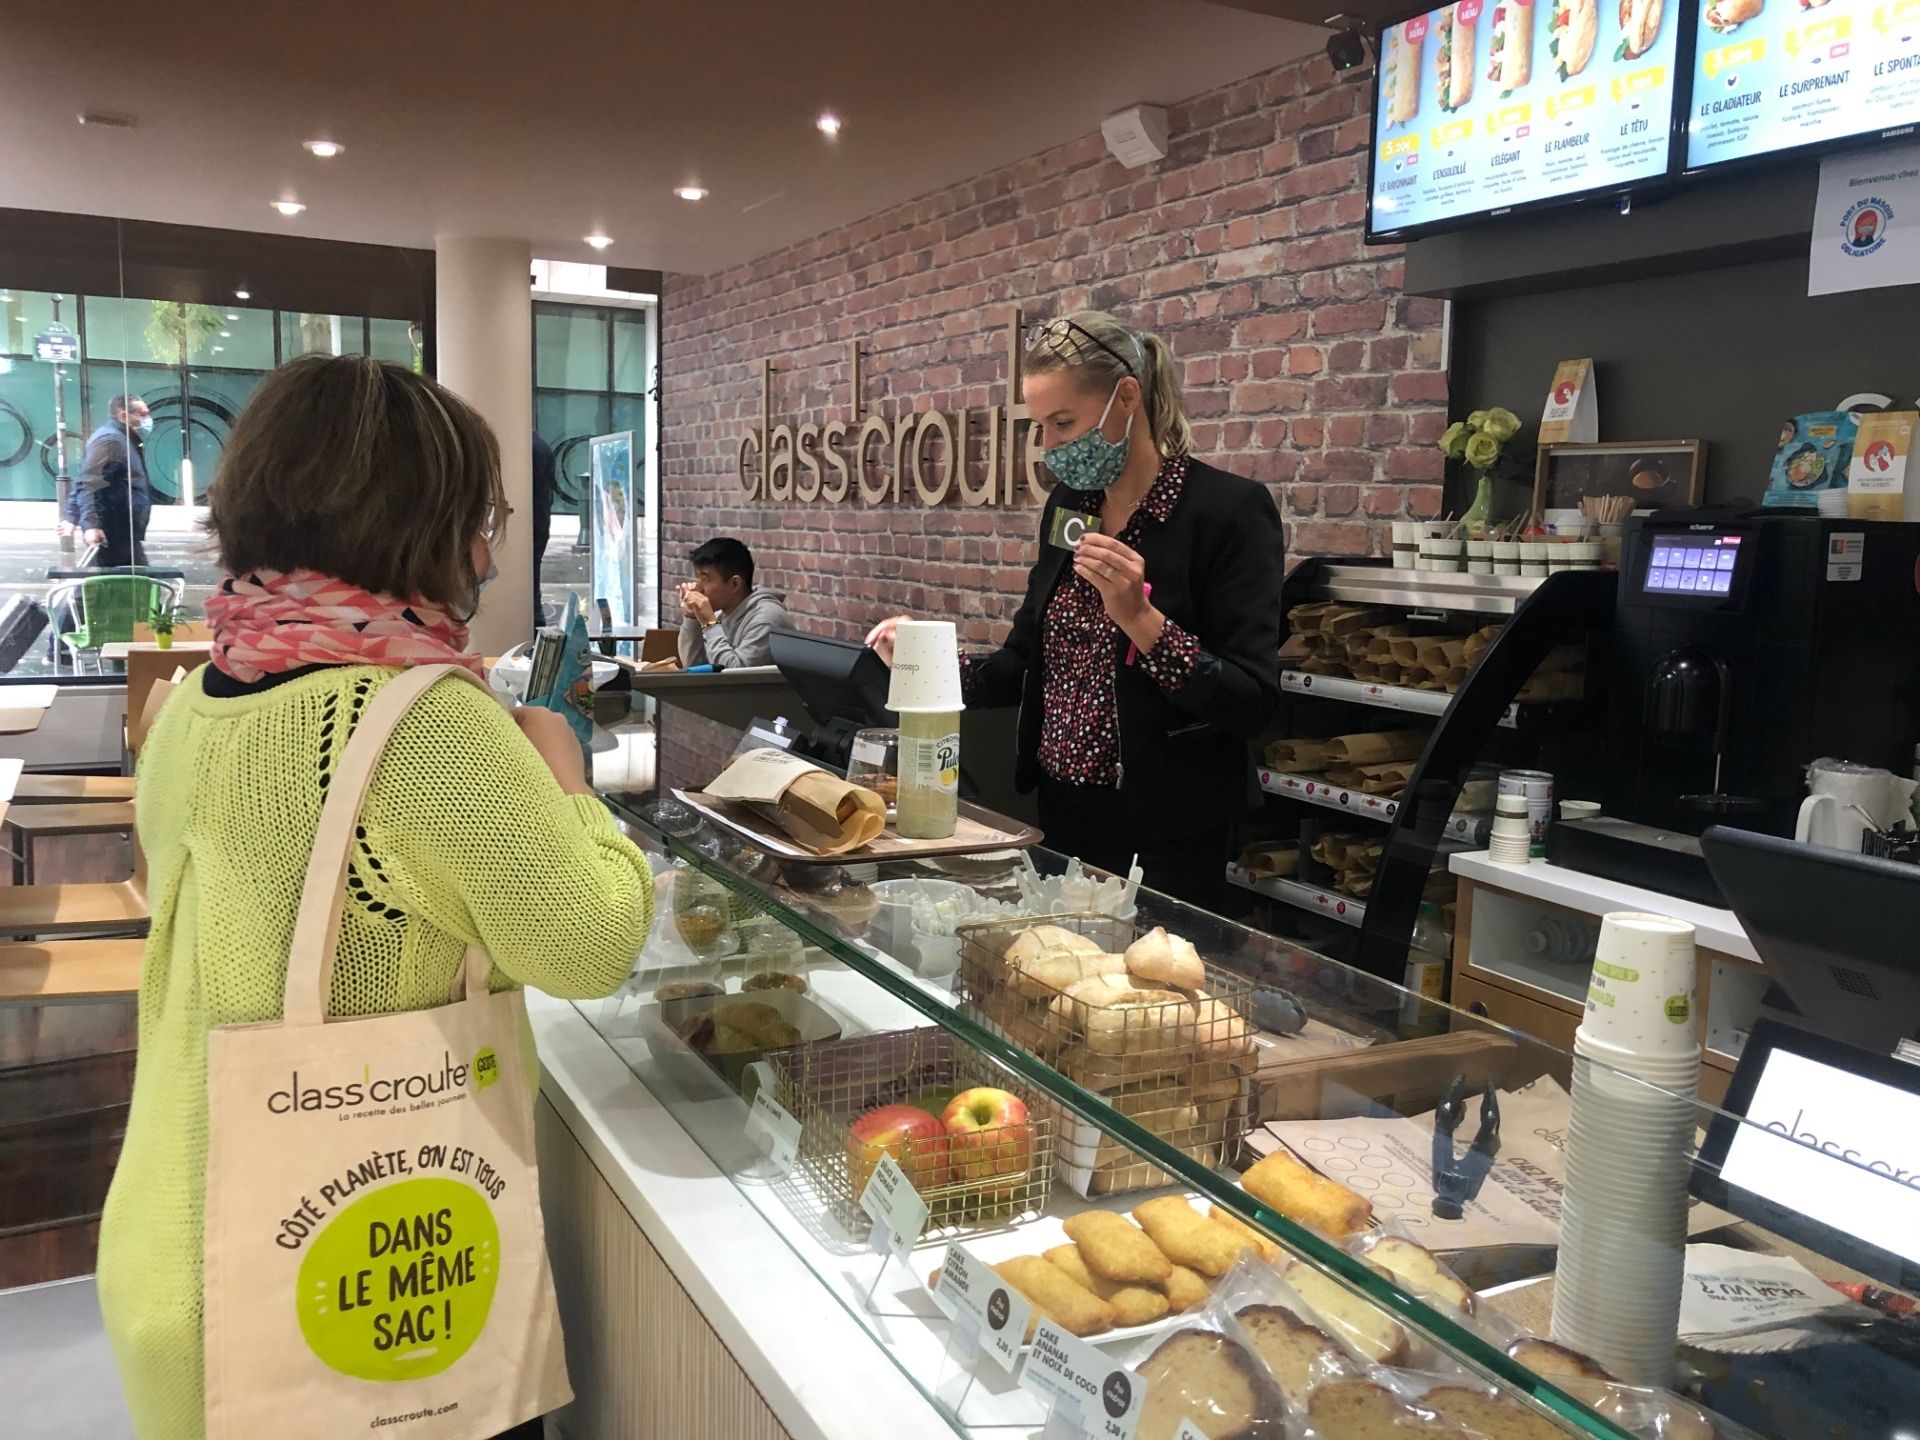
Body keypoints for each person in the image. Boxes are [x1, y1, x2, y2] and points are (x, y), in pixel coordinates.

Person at [95, 355, 656, 1440]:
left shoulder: (202, 694)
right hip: (351, 1286)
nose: (490, 549)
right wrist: (570, 783)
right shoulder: (426, 726)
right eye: (483, 515)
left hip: (176, 1240)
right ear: (425, 522)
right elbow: (591, 945)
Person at [867, 311, 1283, 911]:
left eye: (1063, 423)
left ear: (1127, 398)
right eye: (1041, 427)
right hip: (1062, 809)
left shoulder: (1226, 512)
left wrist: (1142, 622)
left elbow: (1252, 704)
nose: (1053, 447)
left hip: (1170, 826)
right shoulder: (1072, 505)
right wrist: (924, 661)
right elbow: (1025, 660)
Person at [677, 536, 791, 669]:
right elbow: (696, 667)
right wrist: (691, 618)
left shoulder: (766, 619)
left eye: (705, 579)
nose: (698, 587)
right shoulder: (722, 613)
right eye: (698, 578)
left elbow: (735, 677)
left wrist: (710, 624)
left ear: (735, 584)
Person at [77, 391, 154, 568]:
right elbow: (89, 484)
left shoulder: (123, 439)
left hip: (122, 531)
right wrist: (90, 525)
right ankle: (79, 597)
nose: (147, 419)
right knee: (109, 582)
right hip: (113, 531)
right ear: (124, 415)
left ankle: (80, 596)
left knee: (129, 582)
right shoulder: (111, 441)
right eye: (142, 414)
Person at [531, 430, 556, 620]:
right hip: (539, 520)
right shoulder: (540, 445)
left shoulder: (526, 448)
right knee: (533, 578)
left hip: (531, 523)